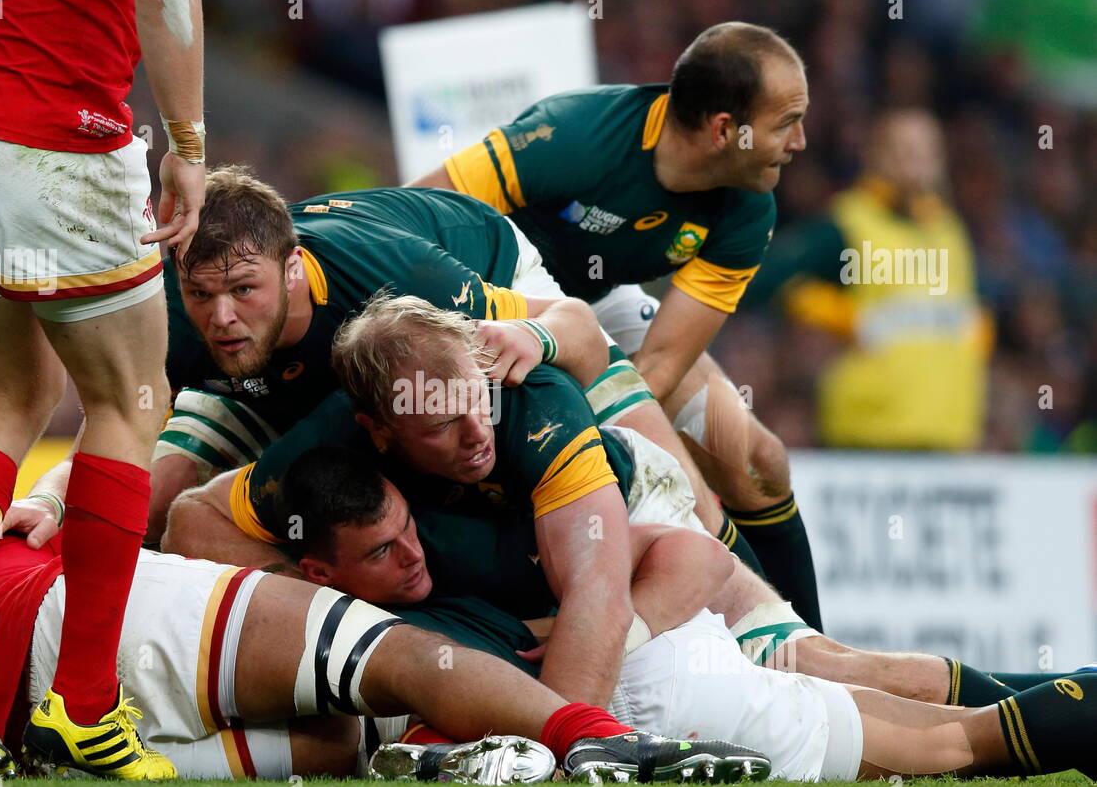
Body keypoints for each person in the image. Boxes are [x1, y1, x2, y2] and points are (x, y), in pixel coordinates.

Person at [168, 294, 1071, 710]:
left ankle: (1052, 704)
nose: (476, 435)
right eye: (441, 427)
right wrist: (327, 593)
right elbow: (191, 525)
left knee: (810, 667)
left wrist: (556, 738)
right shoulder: (329, 442)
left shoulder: (533, 406)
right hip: (516, 567)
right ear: (376, 429)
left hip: (638, 511)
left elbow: (603, 589)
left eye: (478, 403)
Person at [2, 167, 762, 575]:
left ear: (292, 270)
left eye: (243, 290)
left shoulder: (408, 283)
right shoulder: (182, 313)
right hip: (276, 372)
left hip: (487, 268)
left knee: (659, 471)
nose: (222, 315)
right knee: (155, 498)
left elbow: (581, 330)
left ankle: (765, 614)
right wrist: (49, 497)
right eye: (204, 296)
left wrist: (538, 337)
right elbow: (119, 425)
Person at [259, 445, 1097, 785]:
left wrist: (601, 644)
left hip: (659, 688)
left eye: (408, 530)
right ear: (317, 569)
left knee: (955, 745)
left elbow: (697, 555)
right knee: (941, 726)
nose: (413, 556)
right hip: (660, 684)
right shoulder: (369, 626)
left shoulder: (444, 561)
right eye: (383, 552)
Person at [0, 0, 207, 779]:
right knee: (131, 401)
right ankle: (84, 708)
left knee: (16, 392)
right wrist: (189, 147)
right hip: (51, 131)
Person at [410, 21, 824, 633]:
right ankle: (765, 635)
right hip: (501, 293)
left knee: (758, 462)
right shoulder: (574, 135)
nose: (801, 142)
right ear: (723, 131)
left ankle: (813, 647)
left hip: (599, 301)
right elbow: (414, 217)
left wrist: (624, 424)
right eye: (787, 122)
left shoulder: (749, 205)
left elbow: (660, 367)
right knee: (685, 482)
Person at [0, 533, 772, 786]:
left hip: (53, 747)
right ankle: (595, 737)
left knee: (331, 747)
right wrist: (46, 499)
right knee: (397, 657)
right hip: (93, 623)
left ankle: (431, 756)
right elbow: (110, 485)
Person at [749, 108, 990, 450]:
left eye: (927, 151)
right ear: (876, 155)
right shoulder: (848, 225)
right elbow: (761, 278)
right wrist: (830, 314)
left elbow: (969, 317)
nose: (917, 161)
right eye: (903, 150)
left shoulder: (949, 231)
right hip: (868, 436)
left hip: (949, 434)